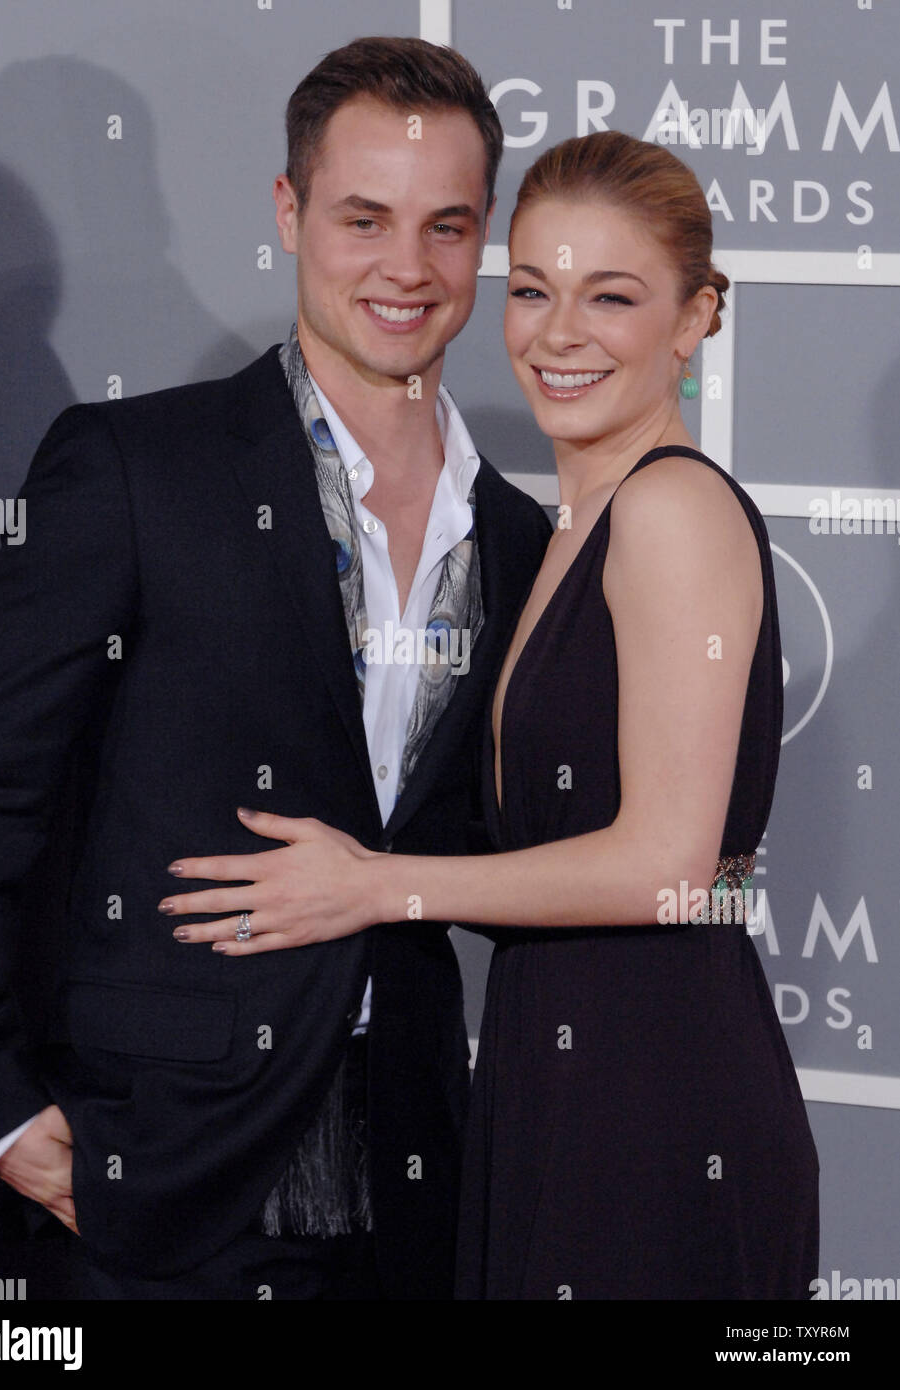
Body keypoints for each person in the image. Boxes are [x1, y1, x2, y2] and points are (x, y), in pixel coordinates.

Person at [0, 37, 551, 1300]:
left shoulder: (521, 534)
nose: (405, 268)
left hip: (414, 1178)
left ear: (484, 237)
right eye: (362, 217)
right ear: (289, 210)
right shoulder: (132, 468)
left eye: (446, 226)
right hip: (149, 1181)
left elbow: (493, 844)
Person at [163, 131, 820, 1300]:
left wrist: (378, 882)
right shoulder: (553, 532)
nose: (558, 333)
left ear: (696, 318)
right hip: (557, 1064)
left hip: (656, 1090)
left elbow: (670, 864)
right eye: (533, 290)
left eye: (611, 296)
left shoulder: (672, 509)